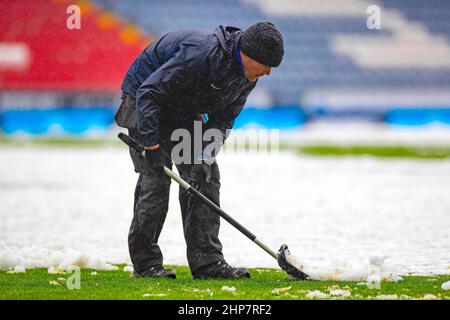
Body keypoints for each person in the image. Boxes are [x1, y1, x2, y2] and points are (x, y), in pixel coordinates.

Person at [115, 21, 284, 279]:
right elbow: (149, 93)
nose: (268, 73)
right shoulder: (201, 54)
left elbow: (223, 120)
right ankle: (146, 264)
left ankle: (207, 263)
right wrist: (151, 145)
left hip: (181, 107)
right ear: (249, 54)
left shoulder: (247, 77)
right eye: (266, 66)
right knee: (157, 177)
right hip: (143, 101)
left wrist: (204, 157)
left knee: (205, 176)